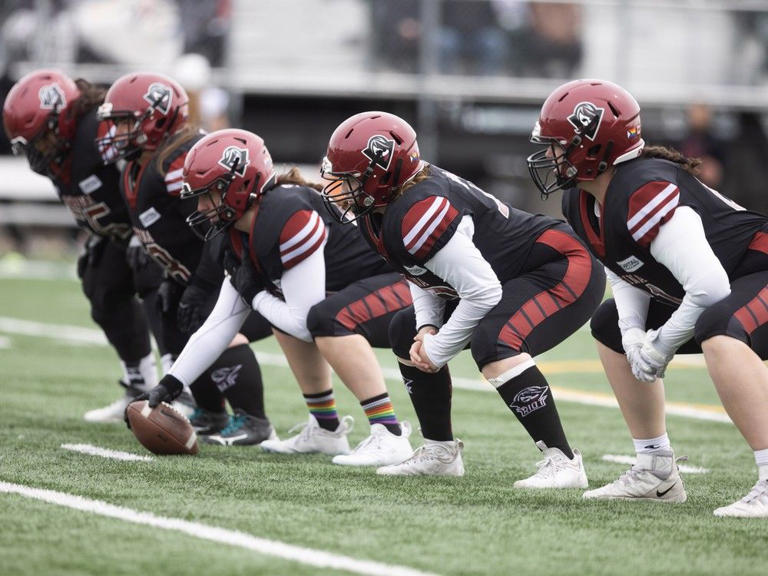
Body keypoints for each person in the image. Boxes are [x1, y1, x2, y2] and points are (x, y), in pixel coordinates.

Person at [321, 111, 605, 484]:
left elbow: (483, 292)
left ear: (380, 175)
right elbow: (419, 271)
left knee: (497, 340)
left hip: (561, 265)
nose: (334, 188)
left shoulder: (419, 209)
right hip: (505, 276)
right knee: (405, 327)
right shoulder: (382, 207)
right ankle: (440, 452)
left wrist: (439, 350)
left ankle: (564, 461)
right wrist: (426, 326)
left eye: (348, 180)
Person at [527, 78, 768, 517]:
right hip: (731, 284)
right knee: (607, 325)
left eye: (559, 145)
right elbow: (626, 270)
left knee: (720, 327)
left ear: (593, 147)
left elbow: (710, 287)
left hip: (757, 270)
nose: (549, 155)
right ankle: (656, 469)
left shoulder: (643, 189)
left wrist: (661, 343)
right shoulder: (581, 200)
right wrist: (633, 333)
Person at [141, 127, 415, 467]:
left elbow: (304, 323)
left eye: (208, 194)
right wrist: (169, 385)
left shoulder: (287, 215)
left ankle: (389, 434)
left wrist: (254, 292)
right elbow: (219, 325)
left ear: (238, 187)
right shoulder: (241, 232)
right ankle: (326, 428)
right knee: (289, 312)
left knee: (323, 320)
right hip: (359, 290)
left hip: (405, 284)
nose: (200, 207)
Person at [96, 72, 273, 445]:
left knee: (211, 323)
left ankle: (253, 420)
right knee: (170, 319)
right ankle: (210, 411)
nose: (117, 131)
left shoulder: (178, 161)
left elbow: (218, 224)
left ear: (156, 119)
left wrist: (200, 284)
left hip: (232, 271)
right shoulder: (138, 163)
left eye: (126, 121)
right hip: (192, 272)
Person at [2, 68, 163, 422]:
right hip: (123, 233)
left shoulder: (99, 130)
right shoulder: (63, 154)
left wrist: (145, 227)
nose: (38, 150)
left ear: (61, 121)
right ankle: (139, 387)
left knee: (162, 295)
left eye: (41, 138)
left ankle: (187, 393)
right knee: (100, 283)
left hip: (163, 228)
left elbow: (151, 169)